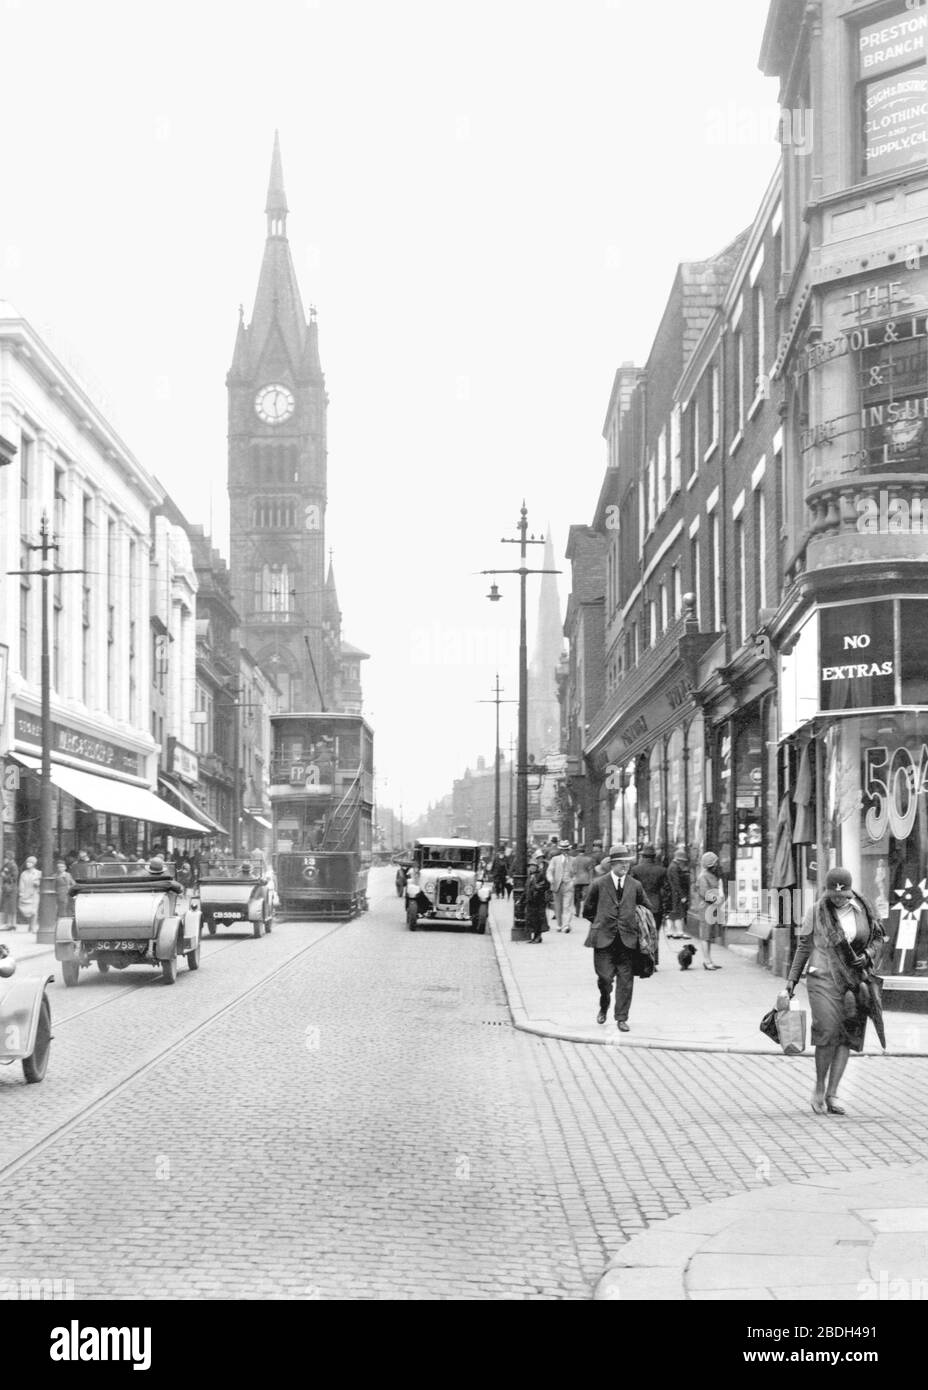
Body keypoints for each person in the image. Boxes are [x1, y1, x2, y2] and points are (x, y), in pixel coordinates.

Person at [786, 867, 885, 1116]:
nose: (839, 899)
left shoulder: (864, 909)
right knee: (828, 1031)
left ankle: (832, 1094)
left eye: (843, 894)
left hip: (854, 982)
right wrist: (791, 981)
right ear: (827, 891)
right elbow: (804, 946)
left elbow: (877, 939)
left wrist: (868, 955)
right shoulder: (816, 911)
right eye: (834, 894)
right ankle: (819, 1088)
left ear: (850, 891)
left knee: (847, 1036)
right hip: (822, 977)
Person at [582, 843, 648, 1032]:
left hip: (627, 940)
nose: (624, 866)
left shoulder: (635, 885)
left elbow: (646, 906)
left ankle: (621, 1018)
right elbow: (588, 910)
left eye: (627, 863)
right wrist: (601, 922)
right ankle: (604, 1005)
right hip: (603, 940)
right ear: (612, 864)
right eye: (620, 863)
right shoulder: (598, 884)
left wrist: (634, 921)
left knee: (626, 980)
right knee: (604, 979)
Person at [630, 844, 672, 961]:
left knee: (641, 932)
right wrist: (667, 908)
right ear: (654, 857)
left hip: (639, 905)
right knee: (654, 933)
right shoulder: (661, 870)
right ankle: (654, 959)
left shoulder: (635, 870)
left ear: (643, 856)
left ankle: (642, 959)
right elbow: (667, 890)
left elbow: (630, 888)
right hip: (656, 905)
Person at [692, 851, 726, 970]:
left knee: (709, 935)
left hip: (712, 908)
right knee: (705, 936)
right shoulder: (703, 876)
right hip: (706, 909)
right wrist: (719, 897)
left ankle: (709, 959)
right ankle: (707, 961)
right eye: (715, 863)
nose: (717, 865)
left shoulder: (711, 875)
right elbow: (705, 894)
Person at [547, 840, 574, 932]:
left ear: (569, 850)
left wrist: (572, 882)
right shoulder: (555, 859)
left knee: (567, 906)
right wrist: (551, 879)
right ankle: (559, 924)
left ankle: (566, 925)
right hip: (557, 885)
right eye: (563, 849)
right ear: (560, 850)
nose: (565, 851)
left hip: (568, 885)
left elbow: (575, 873)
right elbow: (549, 871)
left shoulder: (573, 860)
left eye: (566, 849)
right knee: (558, 906)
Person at [524, 852, 550, 944]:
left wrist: (538, 888)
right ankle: (535, 936)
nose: (531, 868)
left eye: (533, 866)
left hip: (538, 901)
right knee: (532, 919)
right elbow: (526, 888)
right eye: (530, 866)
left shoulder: (540, 875)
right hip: (531, 901)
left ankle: (538, 936)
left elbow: (546, 885)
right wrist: (522, 899)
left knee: (538, 919)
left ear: (536, 867)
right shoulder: (530, 877)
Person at [666, 847, 691, 939]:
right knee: (678, 913)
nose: (683, 863)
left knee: (673, 913)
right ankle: (678, 932)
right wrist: (682, 895)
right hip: (675, 894)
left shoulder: (672, 866)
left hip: (673, 893)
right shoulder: (675, 868)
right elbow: (677, 883)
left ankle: (671, 932)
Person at [17, 855, 42, 931]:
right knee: (26, 910)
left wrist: (38, 883)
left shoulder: (38, 873)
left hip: (35, 894)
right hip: (26, 894)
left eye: (30, 862)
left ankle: (33, 927)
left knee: (34, 911)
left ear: (34, 864)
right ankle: (30, 924)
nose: (28, 864)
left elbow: (42, 883)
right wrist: (21, 894)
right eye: (27, 862)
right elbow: (21, 884)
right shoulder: (23, 874)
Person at [570, 843, 595, 916]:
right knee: (586, 897)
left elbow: (572, 871)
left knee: (577, 897)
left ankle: (577, 912)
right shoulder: (589, 859)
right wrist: (591, 880)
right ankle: (584, 911)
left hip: (576, 880)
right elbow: (590, 870)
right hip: (586, 879)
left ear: (578, 851)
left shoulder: (574, 860)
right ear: (585, 851)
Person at [1, 851, 18, 929]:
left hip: (12, 888)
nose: (5, 859)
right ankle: (8, 923)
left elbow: (14, 878)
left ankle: (13, 924)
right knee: (7, 906)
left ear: (10, 858)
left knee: (12, 906)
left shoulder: (14, 866)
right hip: (6, 888)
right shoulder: (6, 865)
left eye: (6, 857)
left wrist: (5, 877)